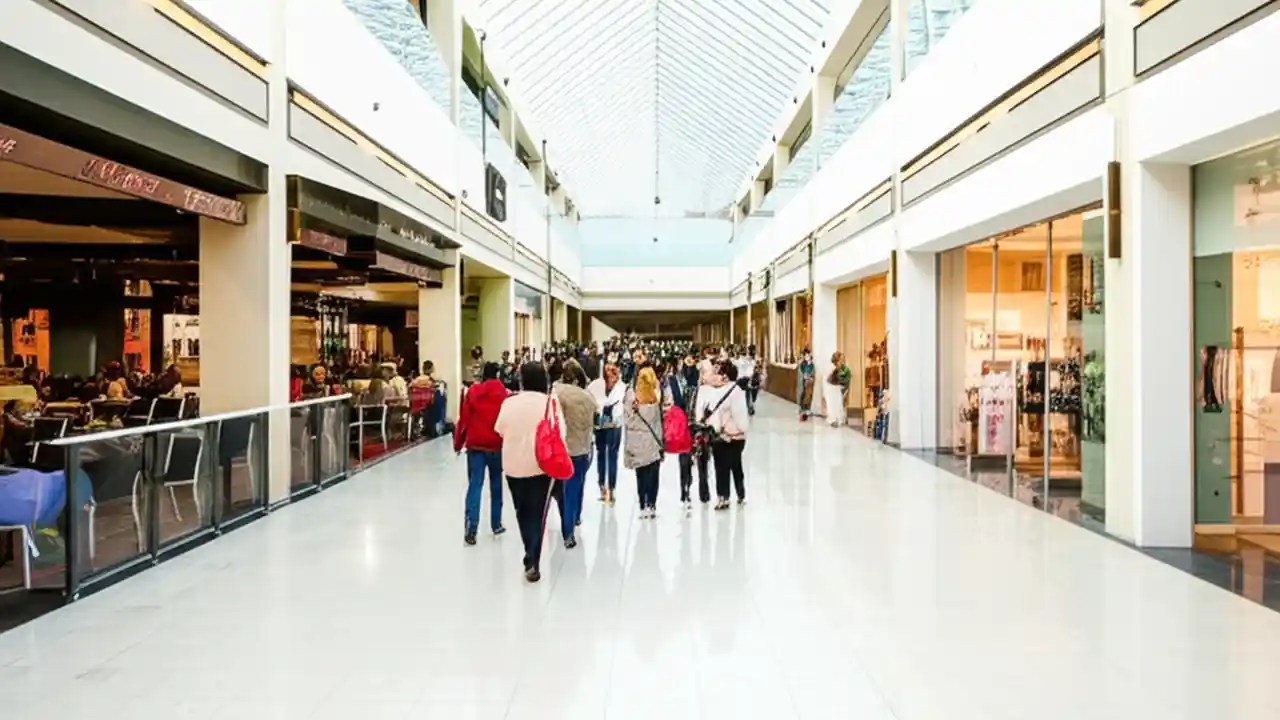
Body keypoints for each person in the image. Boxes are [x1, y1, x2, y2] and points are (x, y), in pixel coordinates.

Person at [494, 362, 565, 583]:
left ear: (522, 380)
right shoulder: (550, 403)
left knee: (521, 510)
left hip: (513, 465)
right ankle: (532, 557)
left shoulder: (509, 403)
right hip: (541, 466)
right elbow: (560, 431)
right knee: (538, 513)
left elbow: (499, 429)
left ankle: (529, 552)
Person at [454, 362, 508, 545]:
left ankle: (471, 527)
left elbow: (464, 420)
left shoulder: (474, 392)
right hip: (496, 445)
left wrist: (458, 443)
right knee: (496, 485)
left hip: (476, 445)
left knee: (475, 485)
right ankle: (496, 523)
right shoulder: (505, 395)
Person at [551, 359, 595, 548]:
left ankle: (567, 530)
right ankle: (574, 520)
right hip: (581, 449)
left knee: (562, 491)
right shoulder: (588, 397)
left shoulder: (555, 393)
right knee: (576, 487)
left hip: (559, 449)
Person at [700, 360, 750, 509]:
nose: (717, 376)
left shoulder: (718, 391)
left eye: (720, 373)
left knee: (721, 467)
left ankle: (723, 496)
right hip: (734, 436)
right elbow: (741, 417)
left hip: (719, 434)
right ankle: (739, 493)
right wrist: (742, 429)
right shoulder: (737, 392)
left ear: (726, 376)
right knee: (735, 465)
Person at [664, 356, 705, 511]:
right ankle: (685, 489)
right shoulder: (675, 381)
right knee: (685, 459)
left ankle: (695, 488)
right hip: (683, 426)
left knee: (695, 458)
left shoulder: (698, 382)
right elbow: (669, 401)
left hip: (695, 425)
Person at [624, 366, 664, 519]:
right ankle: (651, 504)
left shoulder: (630, 401)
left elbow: (627, 422)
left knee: (640, 475)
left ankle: (642, 503)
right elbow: (658, 426)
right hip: (652, 443)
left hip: (636, 444)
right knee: (653, 475)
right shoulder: (654, 402)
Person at [587, 363, 625, 504]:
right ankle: (602, 486)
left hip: (615, 424)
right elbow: (588, 398)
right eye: (607, 370)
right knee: (601, 453)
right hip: (600, 425)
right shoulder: (595, 385)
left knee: (613, 455)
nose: (610, 373)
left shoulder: (622, 387)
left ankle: (612, 487)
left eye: (613, 370)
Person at [824, 351, 852, 428]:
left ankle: (839, 419)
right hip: (832, 389)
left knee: (838, 404)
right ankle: (833, 419)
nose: (842, 361)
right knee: (832, 404)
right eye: (840, 359)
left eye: (842, 359)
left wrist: (842, 383)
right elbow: (828, 379)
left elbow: (847, 379)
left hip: (840, 389)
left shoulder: (845, 369)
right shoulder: (832, 368)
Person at [796, 349, 815, 421]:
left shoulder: (811, 364)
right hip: (804, 382)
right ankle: (802, 408)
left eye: (808, 355)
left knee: (809, 395)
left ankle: (807, 408)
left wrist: (810, 377)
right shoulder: (802, 364)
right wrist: (806, 377)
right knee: (803, 394)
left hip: (809, 382)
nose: (808, 356)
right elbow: (802, 372)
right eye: (806, 355)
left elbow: (812, 372)